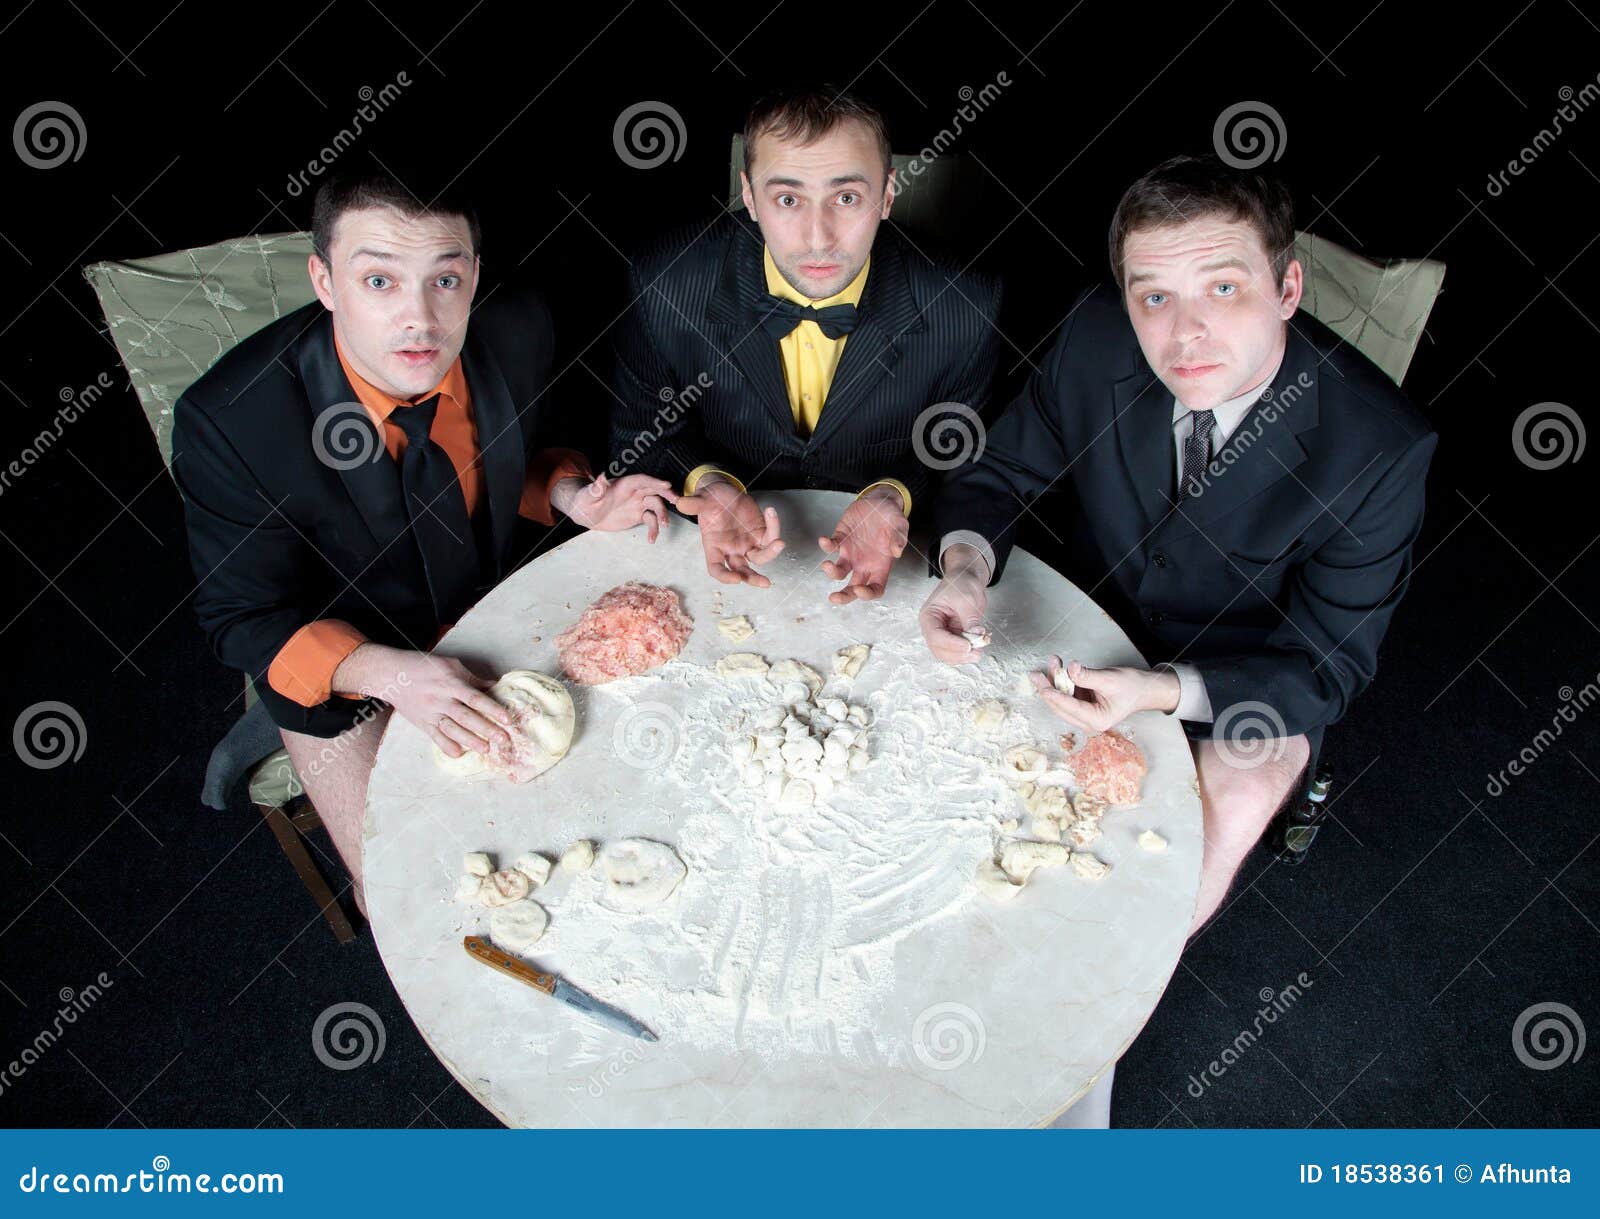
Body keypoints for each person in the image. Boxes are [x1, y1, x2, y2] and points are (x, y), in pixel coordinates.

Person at [925, 153, 1437, 937]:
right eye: (1155, 296)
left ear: (1287, 290)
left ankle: (1102, 1001)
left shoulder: (1383, 449)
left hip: (1241, 683)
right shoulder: (1096, 334)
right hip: (1087, 618)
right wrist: (965, 569)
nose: (1184, 331)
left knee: (1222, 808)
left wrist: (1160, 690)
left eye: (1224, 288)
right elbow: (997, 473)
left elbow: (1325, 668)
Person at [172, 172, 675, 917]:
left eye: (445, 278)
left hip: (495, 601)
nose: (420, 319)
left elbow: (532, 457)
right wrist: (395, 678)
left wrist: (573, 496)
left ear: (473, 274)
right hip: (349, 661)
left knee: (620, 802)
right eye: (379, 279)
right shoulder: (232, 422)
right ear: (325, 280)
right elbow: (243, 617)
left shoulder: (518, 325)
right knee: (416, 898)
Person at [609, 84, 1002, 603]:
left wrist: (895, 493)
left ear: (886, 195)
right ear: (749, 195)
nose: (819, 237)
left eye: (846, 198)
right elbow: (641, 436)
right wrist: (706, 482)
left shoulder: (965, 301)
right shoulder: (667, 280)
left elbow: (968, 464)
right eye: (788, 199)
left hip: (892, 573)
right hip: (706, 571)